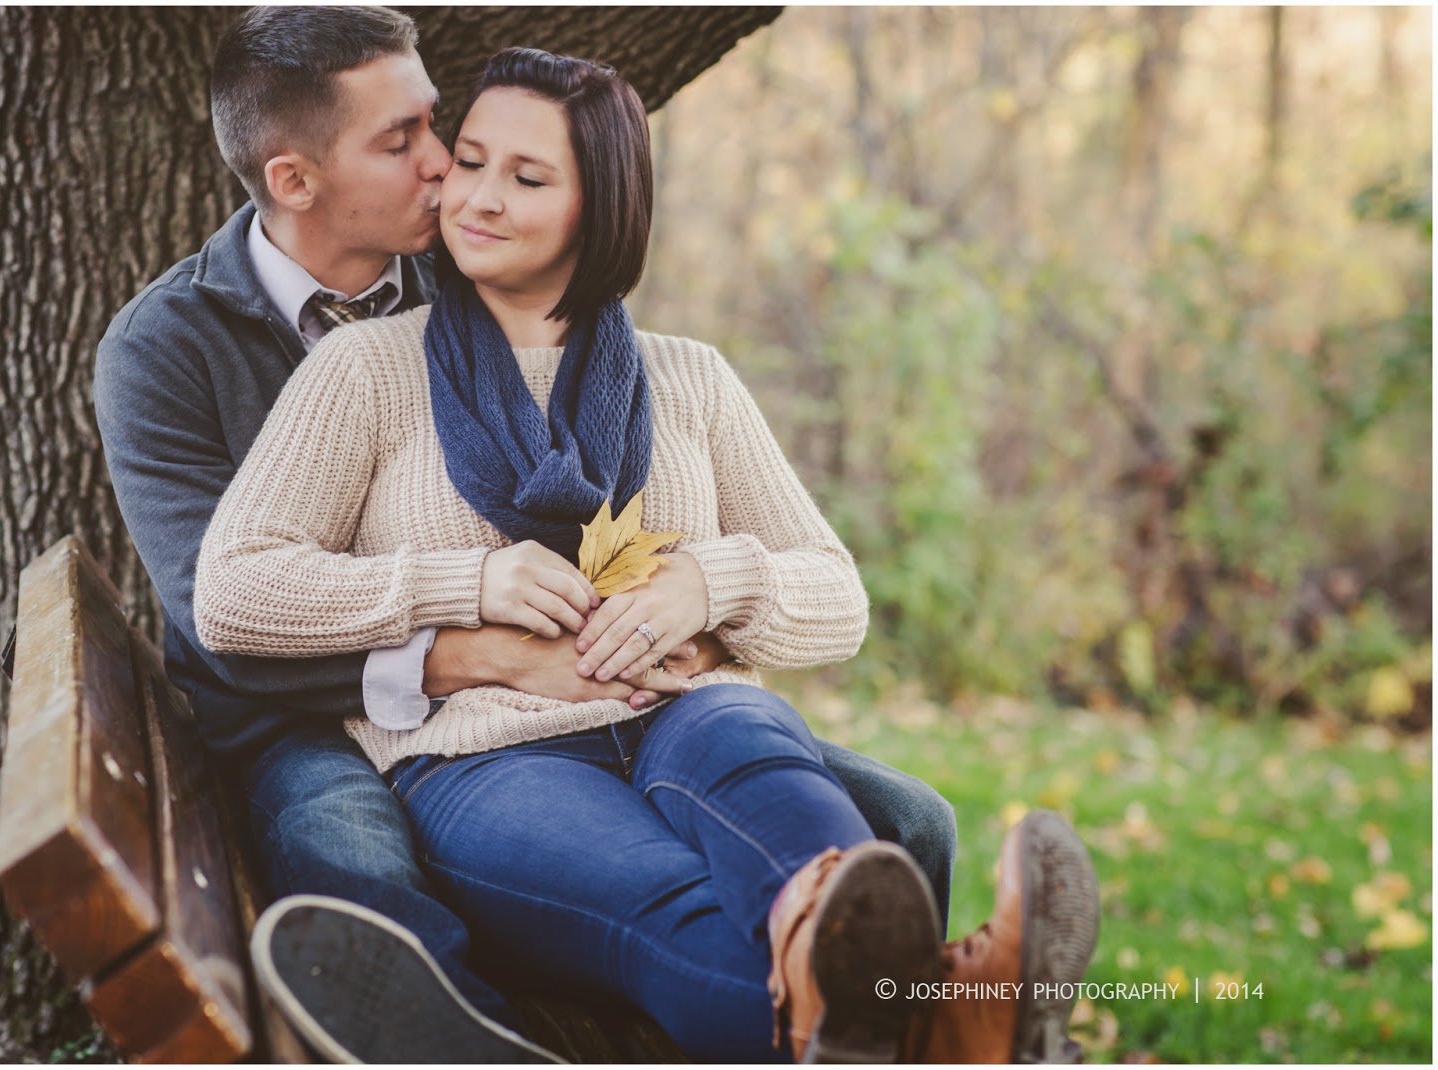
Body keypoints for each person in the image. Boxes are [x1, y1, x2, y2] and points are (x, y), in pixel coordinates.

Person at [95, 6, 974, 1063]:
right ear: (296, 180)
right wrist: (467, 638)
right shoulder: (197, 347)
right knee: (349, 847)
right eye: (420, 147)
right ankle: (467, 1039)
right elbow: (219, 607)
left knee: (901, 818)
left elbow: (812, 583)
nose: (446, 178)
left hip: (643, 703)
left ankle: (893, 1006)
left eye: (448, 138)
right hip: (316, 715)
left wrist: (701, 591)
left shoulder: (470, 284)